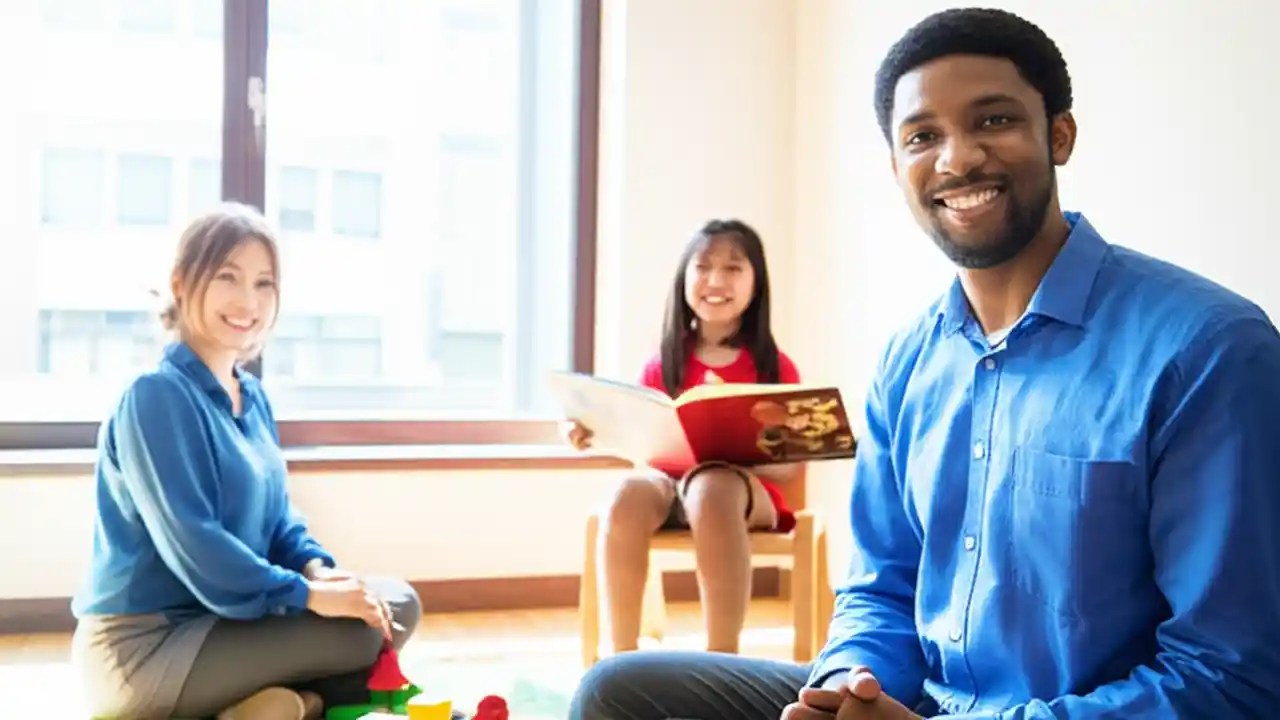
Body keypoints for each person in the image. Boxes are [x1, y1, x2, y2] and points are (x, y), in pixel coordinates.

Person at [568, 8, 1280, 719]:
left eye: (994, 121)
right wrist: (851, 684)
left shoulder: (1209, 350)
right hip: (917, 703)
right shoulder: (907, 362)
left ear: (1058, 135)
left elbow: (1233, 677)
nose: (957, 158)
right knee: (620, 692)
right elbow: (879, 590)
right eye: (922, 136)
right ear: (896, 165)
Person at [69, 203, 423, 720]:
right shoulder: (155, 396)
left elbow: (279, 522)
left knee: (392, 604)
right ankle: (298, 704)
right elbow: (198, 546)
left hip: (225, 624)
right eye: (227, 277)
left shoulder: (251, 397)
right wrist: (306, 597)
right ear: (182, 282)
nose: (247, 301)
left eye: (264, 284)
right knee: (355, 634)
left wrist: (320, 572)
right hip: (146, 649)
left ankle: (274, 708)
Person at [565, 218, 804, 656]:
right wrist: (594, 433)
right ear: (685, 278)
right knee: (626, 494)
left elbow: (787, 469)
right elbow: (645, 451)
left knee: (712, 486)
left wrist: (748, 446)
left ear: (756, 283)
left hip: (745, 495)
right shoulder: (662, 364)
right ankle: (621, 660)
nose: (715, 280)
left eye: (733, 268)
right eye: (703, 267)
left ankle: (721, 660)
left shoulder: (774, 368)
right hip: (672, 486)